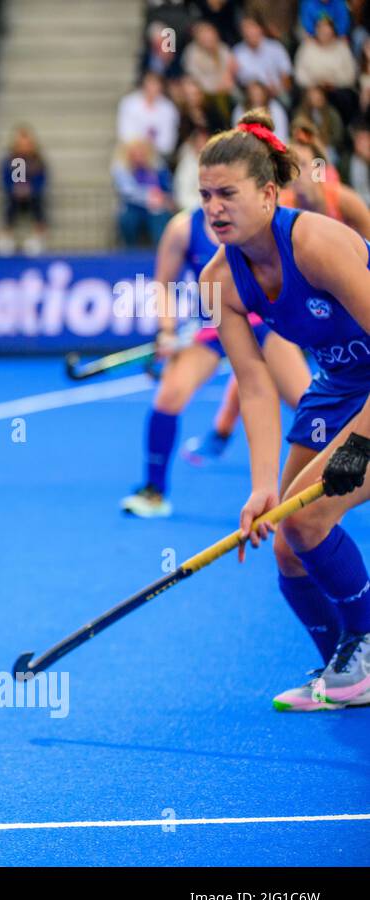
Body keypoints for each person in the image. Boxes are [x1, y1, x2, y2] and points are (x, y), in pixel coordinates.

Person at [198, 109, 370, 711]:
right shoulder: (218, 279)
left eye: (228, 193)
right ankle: (341, 674)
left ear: (269, 193)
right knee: (286, 541)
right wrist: (260, 487)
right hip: (341, 382)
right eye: (205, 196)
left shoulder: (315, 243)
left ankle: (366, 646)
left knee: (309, 520)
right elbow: (253, 384)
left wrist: (361, 442)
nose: (214, 208)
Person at [120, 205, 310, 517]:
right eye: (206, 190)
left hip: (266, 325)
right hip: (213, 326)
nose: (215, 199)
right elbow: (163, 284)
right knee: (169, 395)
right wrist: (167, 330)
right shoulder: (182, 228)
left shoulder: (264, 222)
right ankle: (153, 493)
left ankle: (322, 491)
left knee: (307, 404)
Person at [114, 138, 176, 247]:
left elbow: (166, 186)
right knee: (128, 220)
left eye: (141, 152)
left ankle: (160, 250)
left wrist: (164, 198)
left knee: (161, 219)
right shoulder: (121, 167)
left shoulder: (158, 165)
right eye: (135, 153)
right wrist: (150, 196)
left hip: (157, 207)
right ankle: (130, 252)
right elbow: (128, 192)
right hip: (133, 207)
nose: (139, 156)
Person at [0, 125, 48, 255]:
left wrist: (31, 190)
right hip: (15, 197)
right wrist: (15, 189)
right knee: (10, 206)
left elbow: (41, 181)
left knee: (38, 204)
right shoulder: (12, 160)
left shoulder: (37, 161)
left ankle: (37, 237)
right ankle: (6, 237)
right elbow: (8, 180)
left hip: (32, 196)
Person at [118, 72, 181, 161]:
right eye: (150, 84)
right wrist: (140, 148)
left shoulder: (169, 109)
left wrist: (149, 149)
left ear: (161, 87)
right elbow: (125, 134)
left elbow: (168, 142)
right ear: (143, 85)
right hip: (132, 153)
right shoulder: (129, 103)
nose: (152, 88)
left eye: (155, 84)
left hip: (158, 155)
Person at [233, 15, 295, 98]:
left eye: (252, 27)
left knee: (285, 98)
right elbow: (239, 81)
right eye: (246, 29)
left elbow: (286, 76)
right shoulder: (237, 52)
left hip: (277, 93)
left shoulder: (275, 47)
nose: (250, 32)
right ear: (242, 33)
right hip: (250, 96)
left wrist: (278, 89)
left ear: (260, 29)